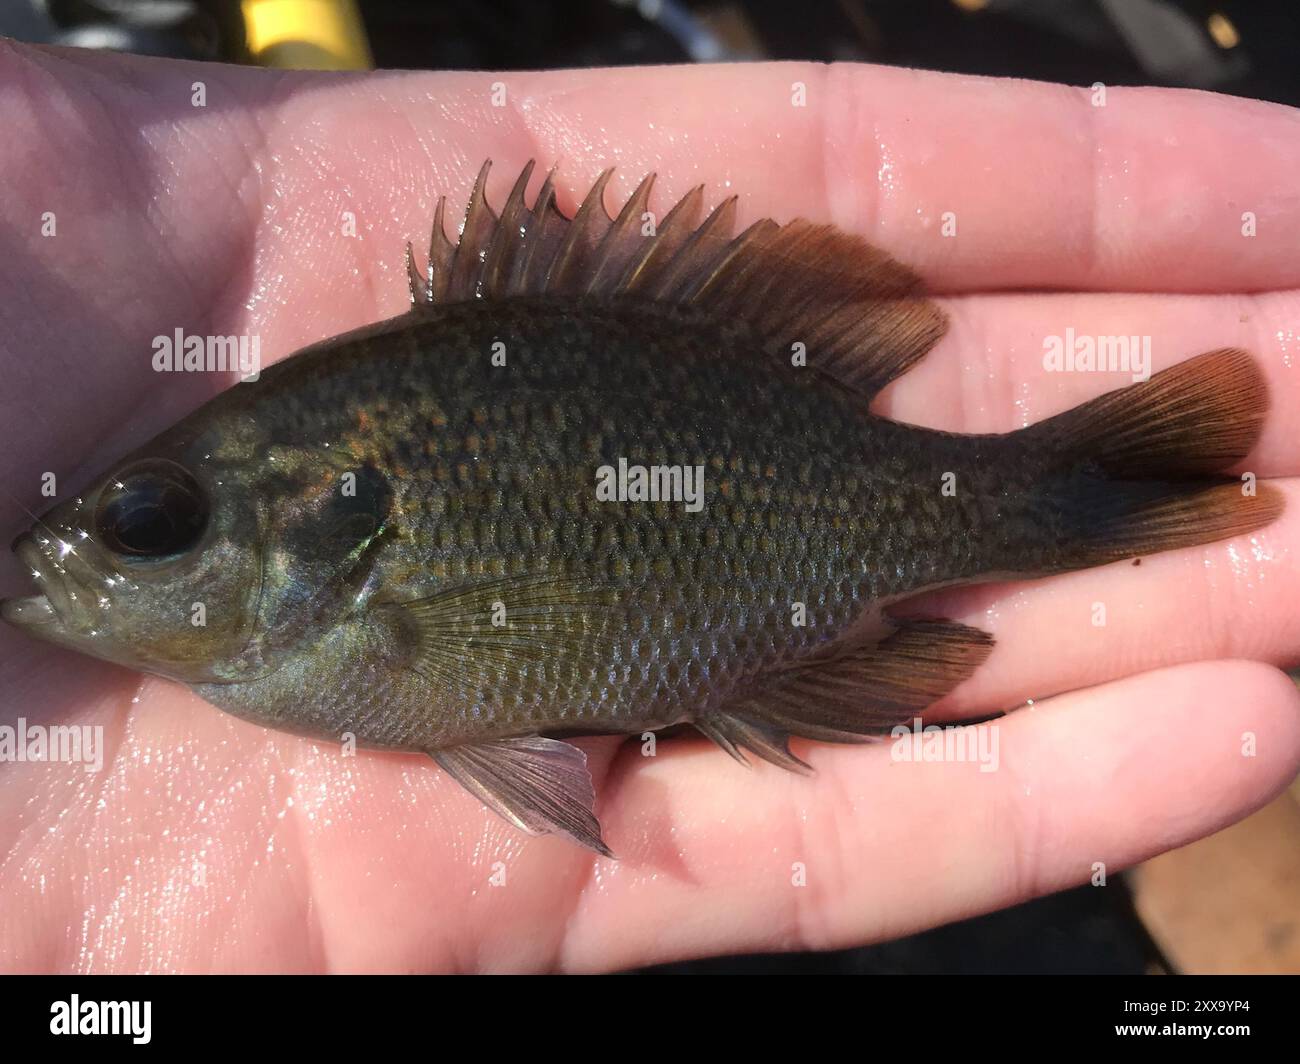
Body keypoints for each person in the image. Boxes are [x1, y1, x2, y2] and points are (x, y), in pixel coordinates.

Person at [0, 40, 1297, 973]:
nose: (76, 557)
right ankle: (1103, 496)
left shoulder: (332, 617)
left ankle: (1088, 492)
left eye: (153, 524)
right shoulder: (305, 640)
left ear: (326, 512)